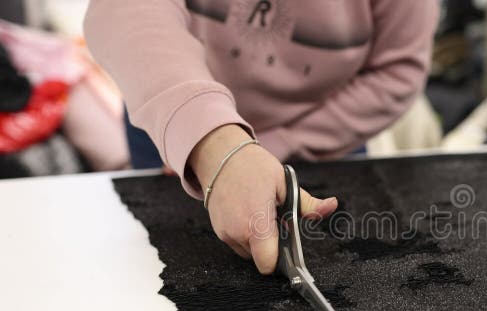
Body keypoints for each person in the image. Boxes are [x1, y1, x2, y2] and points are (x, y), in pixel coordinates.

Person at [84, 0, 439, 275]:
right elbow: (124, 10)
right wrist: (213, 140)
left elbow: (396, 71)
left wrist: (274, 145)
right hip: (173, 119)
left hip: (324, 140)